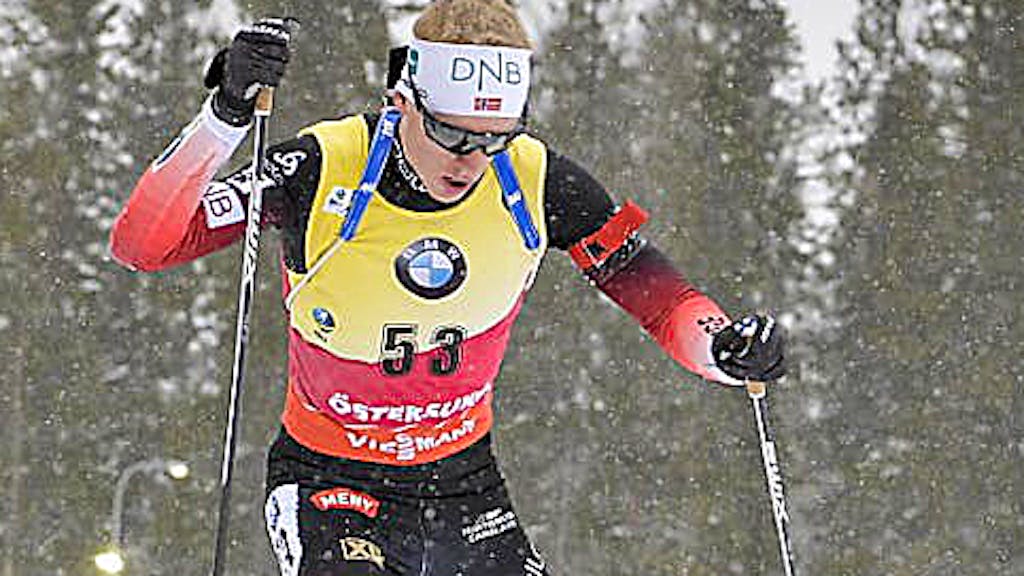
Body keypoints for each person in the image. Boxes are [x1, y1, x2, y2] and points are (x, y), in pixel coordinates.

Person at [109, 1, 786, 574]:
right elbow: (144, 244)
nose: (470, 161)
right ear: (402, 100)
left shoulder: (534, 176)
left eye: (493, 138)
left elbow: (662, 301)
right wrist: (225, 116)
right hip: (330, 482)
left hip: (464, 487)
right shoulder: (324, 167)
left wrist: (723, 350)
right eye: (450, 133)